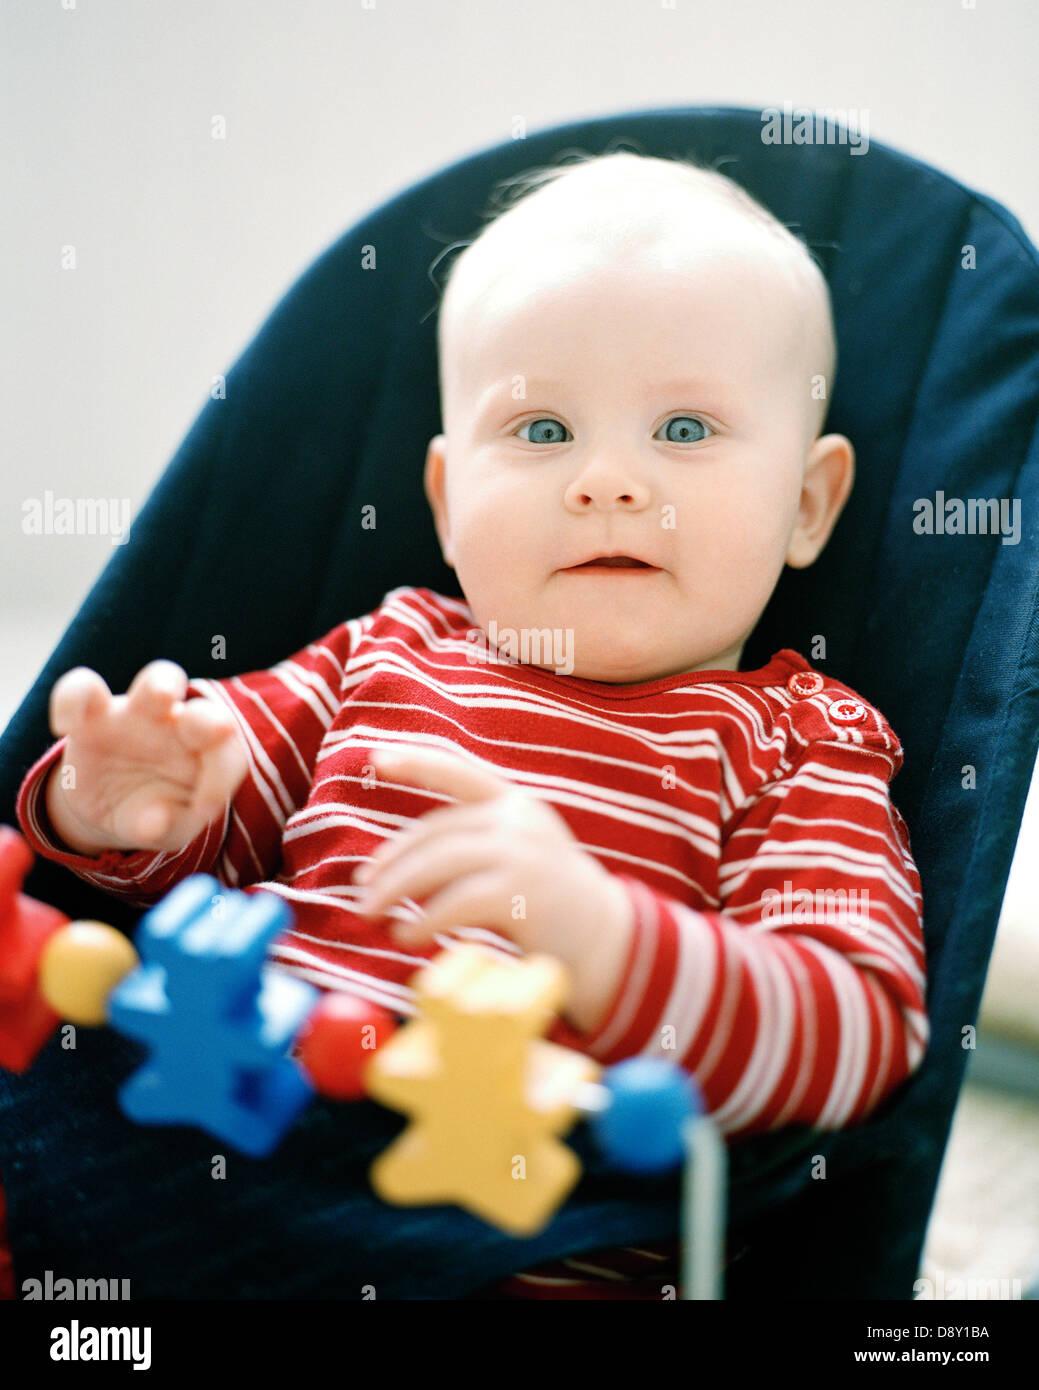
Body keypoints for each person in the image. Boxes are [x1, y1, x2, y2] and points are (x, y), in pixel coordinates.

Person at [11, 151, 928, 1298]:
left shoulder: (800, 737)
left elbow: (858, 1033)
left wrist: (600, 935)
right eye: (541, 431)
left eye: (685, 428)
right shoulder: (388, 648)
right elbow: (215, 823)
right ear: (448, 504)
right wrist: (121, 804)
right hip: (217, 1141)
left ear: (804, 504)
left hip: (506, 1231)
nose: (606, 480)